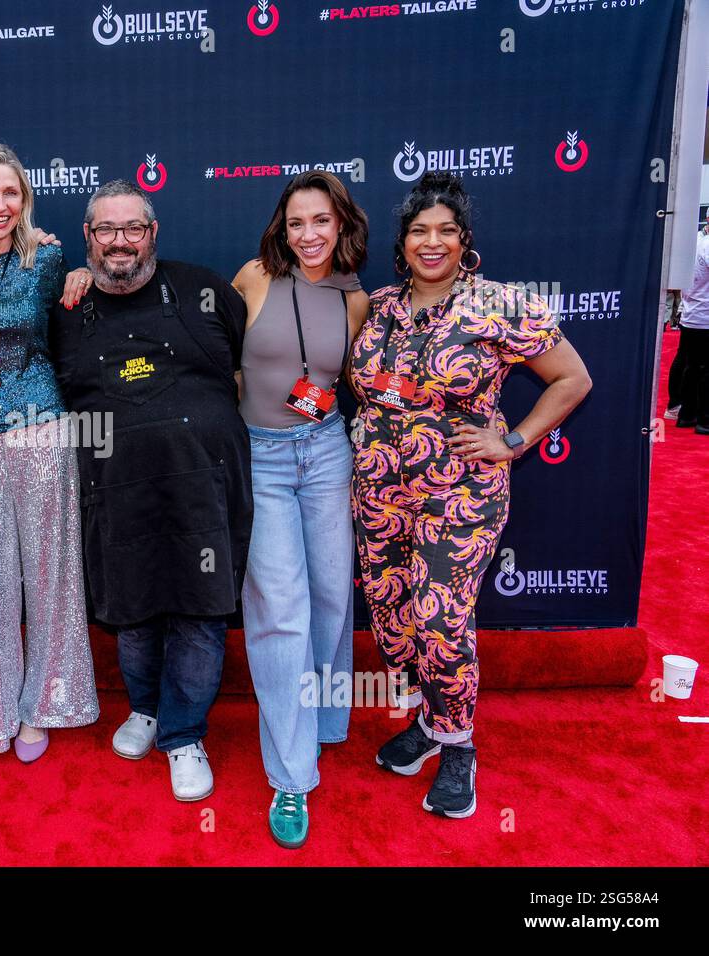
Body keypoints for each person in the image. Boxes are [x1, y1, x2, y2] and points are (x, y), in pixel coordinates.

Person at [350, 172, 591, 818]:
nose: (432, 243)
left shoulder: (501, 306)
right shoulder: (381, 308)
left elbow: (572, 378)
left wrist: (513, 439)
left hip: (459, 496)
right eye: (419, 231)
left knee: (440, 619)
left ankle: (458, 745)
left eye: (446, 232)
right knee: (395, 621)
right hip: (380, 494)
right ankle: (430, 724)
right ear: (402, 243)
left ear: (464, 241)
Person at [49, 180, 253, 801]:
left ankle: (185, 733)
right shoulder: (64, 311)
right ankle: (146, 709)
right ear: (87, 237)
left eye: (132, 228)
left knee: (198, 610)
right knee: (131, 610)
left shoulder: (208, 291)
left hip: (202, 489)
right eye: (105, 230)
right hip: (115, 490)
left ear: (153, 234)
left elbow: (250, 371)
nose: (119, 242)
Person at [0, 144, 99, 762]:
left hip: (41, 425)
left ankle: (43, 708)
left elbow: (77, 314)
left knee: (51, 574)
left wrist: (81, 273)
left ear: (24, 200)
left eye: (11, 193)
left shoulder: (49, 257)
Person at [232, 170, 369, 847]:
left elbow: (354, 387)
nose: (308, 234)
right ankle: (292, 774)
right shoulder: (254, 277)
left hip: (326, 452)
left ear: (340, 224)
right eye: (296, 223)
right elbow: (214, 356)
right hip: (261, 457)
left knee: (330, 596)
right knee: (279, 609)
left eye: (320, 220)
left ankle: (324, 718)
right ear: (280, 230)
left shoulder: (355, 300)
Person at [672, 221, 709, 434]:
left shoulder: (694, 241)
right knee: (704, 371)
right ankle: (704, 419)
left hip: (690, 314)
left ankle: (687, 414)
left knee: (692, 367)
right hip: (704, 317)